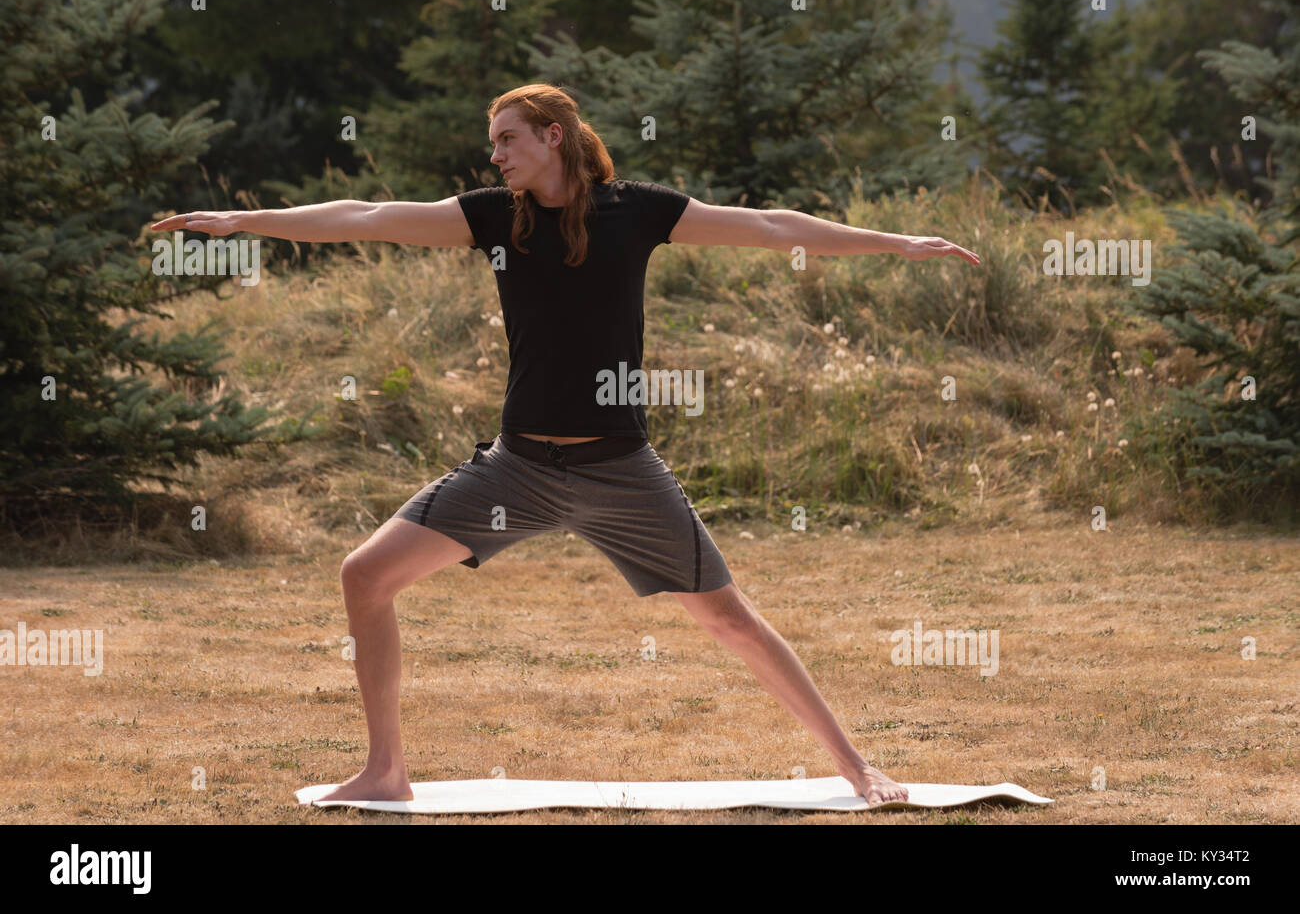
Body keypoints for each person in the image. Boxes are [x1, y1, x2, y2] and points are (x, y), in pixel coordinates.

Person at [153, 83, 979, 809]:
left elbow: (766, 225)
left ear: (554, 136)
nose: (495, 153)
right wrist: (245, 221)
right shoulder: (492, 217)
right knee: (365, 573)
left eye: (508, 137)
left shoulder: (638, 210)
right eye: (492, 142)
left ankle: (859, 768)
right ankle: (385, 770)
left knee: (730, 620)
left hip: (620, 468)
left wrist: (896, 242)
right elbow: (369, 216)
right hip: (518, 467)